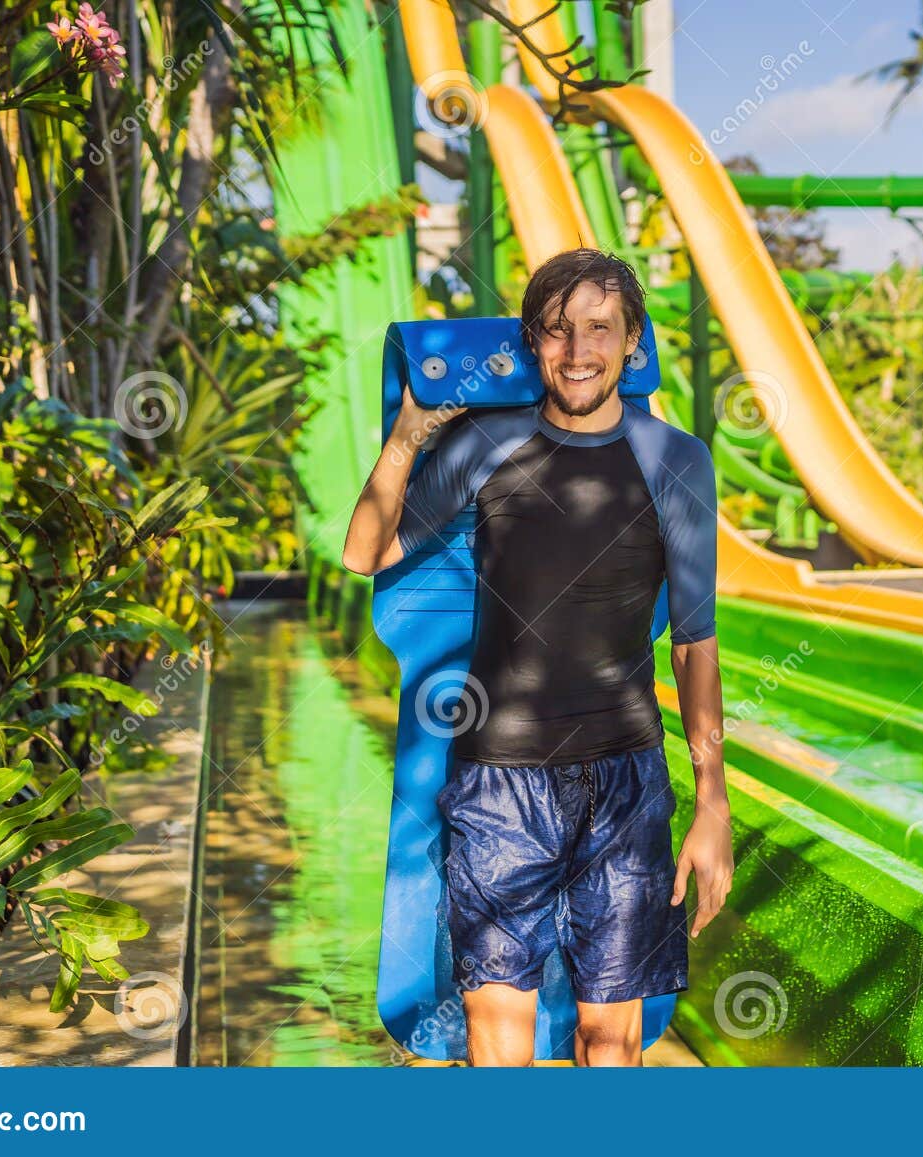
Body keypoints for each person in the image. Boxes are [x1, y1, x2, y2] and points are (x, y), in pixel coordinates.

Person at [343, 248, 733, 1066]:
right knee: (499, 1042)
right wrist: (410, 436)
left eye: (600, 328)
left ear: (633, 341)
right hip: (497, 781)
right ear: (531, 342)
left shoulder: (676, 460)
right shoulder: (486, 445)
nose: (579, 349)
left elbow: (695, 644)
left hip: (626, 783)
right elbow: (364, 551)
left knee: (609, 1039)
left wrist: (711, 803)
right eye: (557, 331)